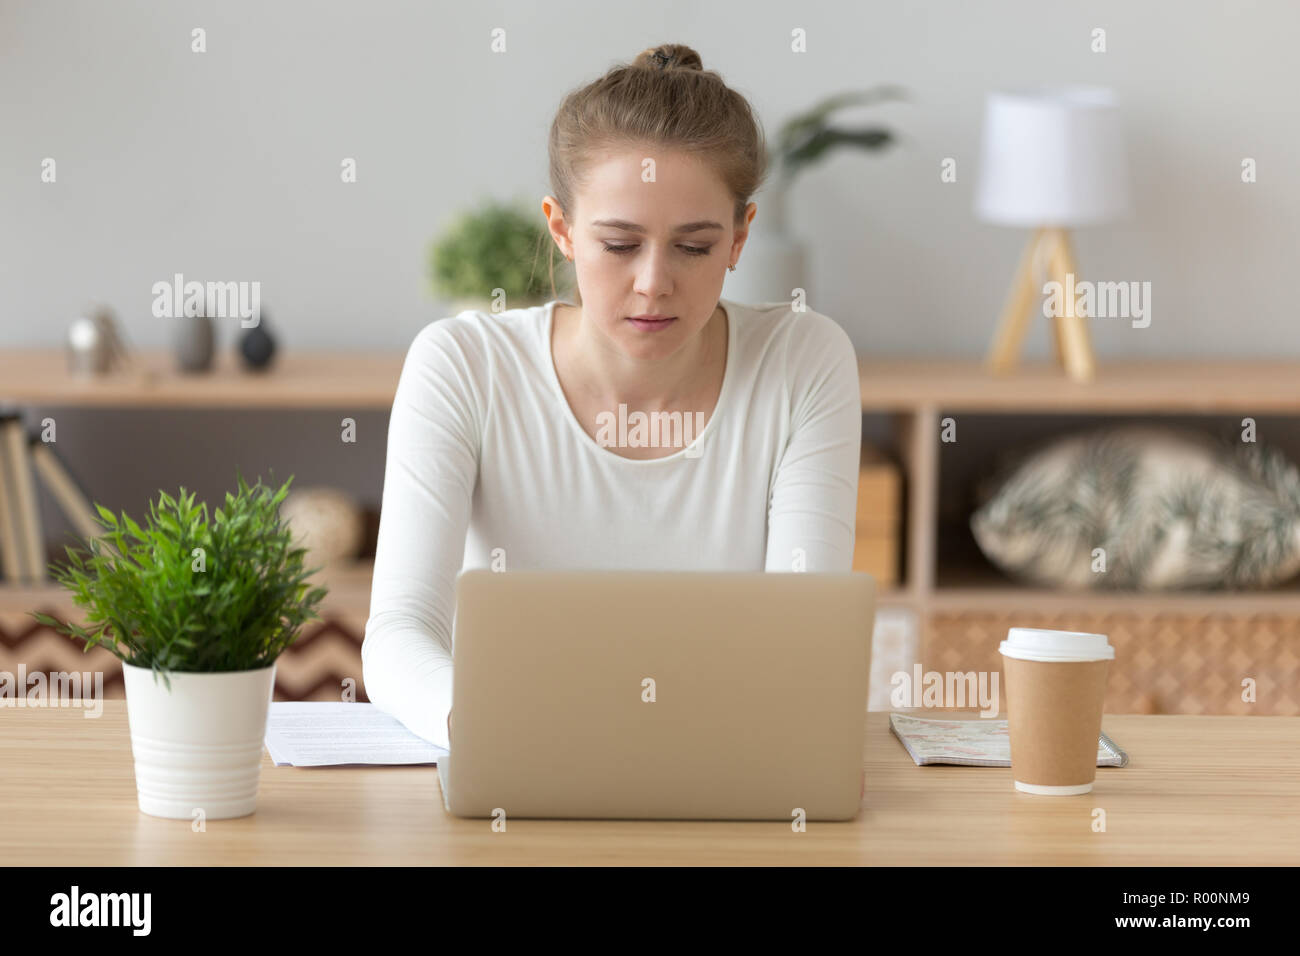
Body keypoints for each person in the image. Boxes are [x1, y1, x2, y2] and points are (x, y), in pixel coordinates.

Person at [362, 43, 862, 749]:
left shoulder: (804, 363)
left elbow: (804, 639)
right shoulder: (462, 366)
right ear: (561, 229)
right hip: (512, 769)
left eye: (693, 247)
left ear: (740, 238)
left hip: (720, 770)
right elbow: (398, 635)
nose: (654, 282)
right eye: (620, 245)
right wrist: (491, 732)